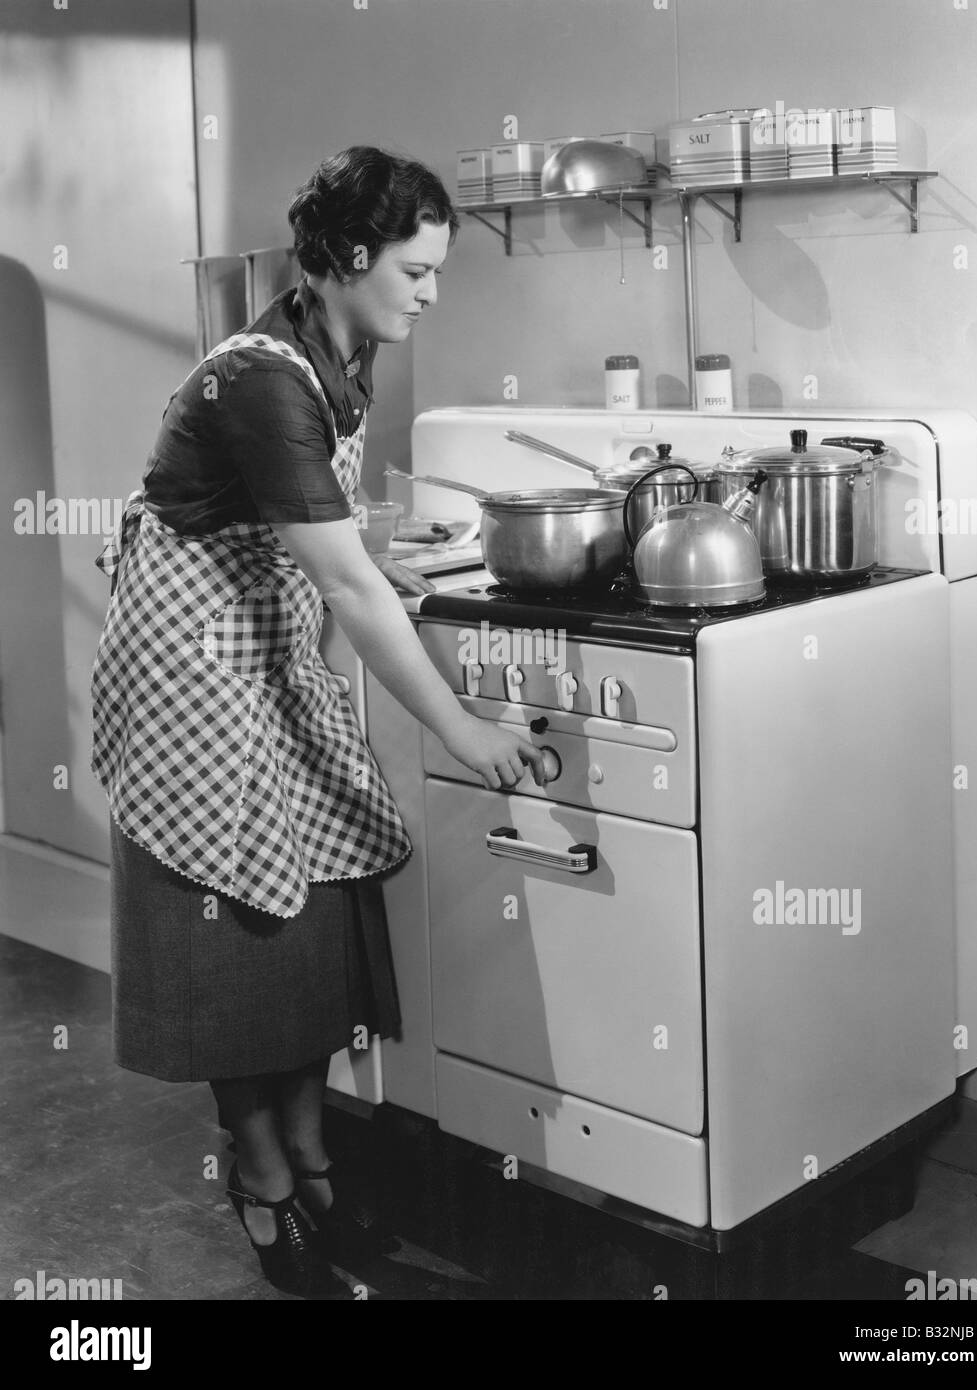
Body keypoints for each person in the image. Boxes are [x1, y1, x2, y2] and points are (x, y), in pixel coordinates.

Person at [91, 146, 546, 1300]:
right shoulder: (259, 377)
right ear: (350, 257)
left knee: (315, 924)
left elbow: (329, 543)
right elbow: (345, 583)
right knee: (236, 941)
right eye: (418, 269)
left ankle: (311, 1162)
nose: (431, 293)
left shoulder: (346, 348)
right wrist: (462, 730)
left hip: (268, 656)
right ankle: (260, 1184)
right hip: (192, 678)